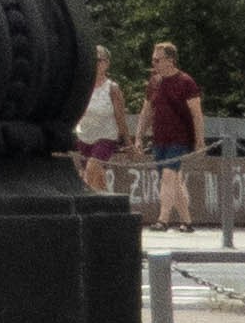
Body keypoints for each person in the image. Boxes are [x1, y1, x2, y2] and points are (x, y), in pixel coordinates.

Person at [140, 37, 207, 228]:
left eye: (157, 59)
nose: (154, 63)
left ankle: (163, 219)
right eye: (153, 59)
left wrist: (200, 140)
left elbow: (197, 114)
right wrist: (138, 135)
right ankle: (187, 221)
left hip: (180, 138)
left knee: (169, 175)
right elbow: (146, 111)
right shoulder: (154, 82)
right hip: (160, 137)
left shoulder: (186, 82)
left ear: (170, 60)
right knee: (173, 180)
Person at [72, 45, 127, 197]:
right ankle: (108, 210)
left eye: (99, 61)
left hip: (106, 136)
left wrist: (127, 141)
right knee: (96, 178)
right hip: (85, 136)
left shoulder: (112, 88)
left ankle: (89, 208)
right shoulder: (83, 86)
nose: (96, 64)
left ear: (107, 63)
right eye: (93, 61)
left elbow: (120, 116)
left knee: (91, 169)